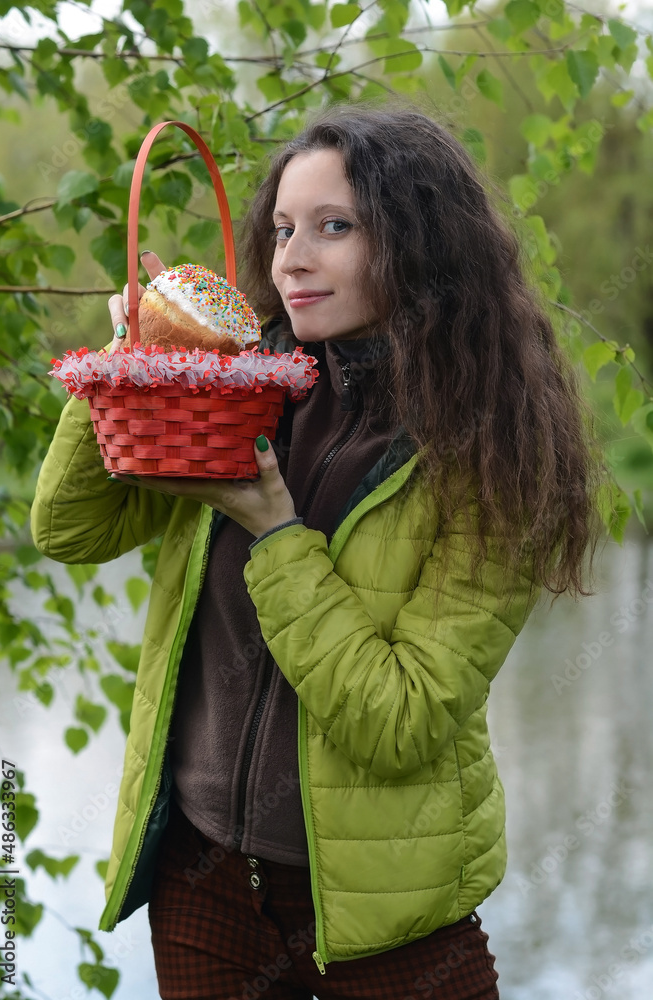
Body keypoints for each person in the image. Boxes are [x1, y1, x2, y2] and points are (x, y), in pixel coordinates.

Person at [31, 102, 604, 1000]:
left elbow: (401, 721)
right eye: (283, 228)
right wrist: (129, 363)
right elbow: (71, 531)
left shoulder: (490, 451)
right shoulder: (235, 394)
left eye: (333, 228)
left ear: (418, 244)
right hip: (203, 891)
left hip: (391, 921)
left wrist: (277, 535)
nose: (290, 258)